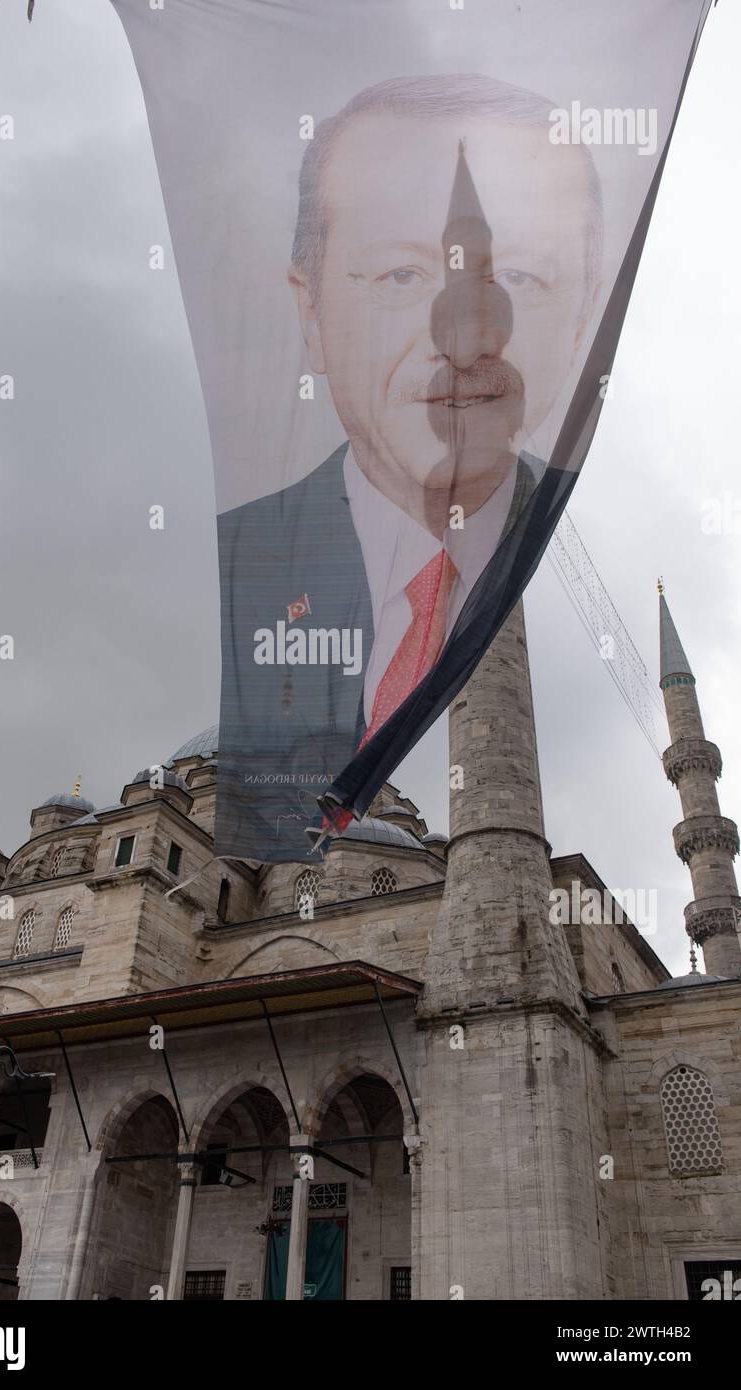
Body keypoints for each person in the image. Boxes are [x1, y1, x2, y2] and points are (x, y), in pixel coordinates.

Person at [215, 73, 602, 859]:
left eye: (521, 278)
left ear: (582, 320)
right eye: (401, 275)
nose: (465, 340)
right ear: (310, 313)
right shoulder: (254, 550)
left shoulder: (519, 530)